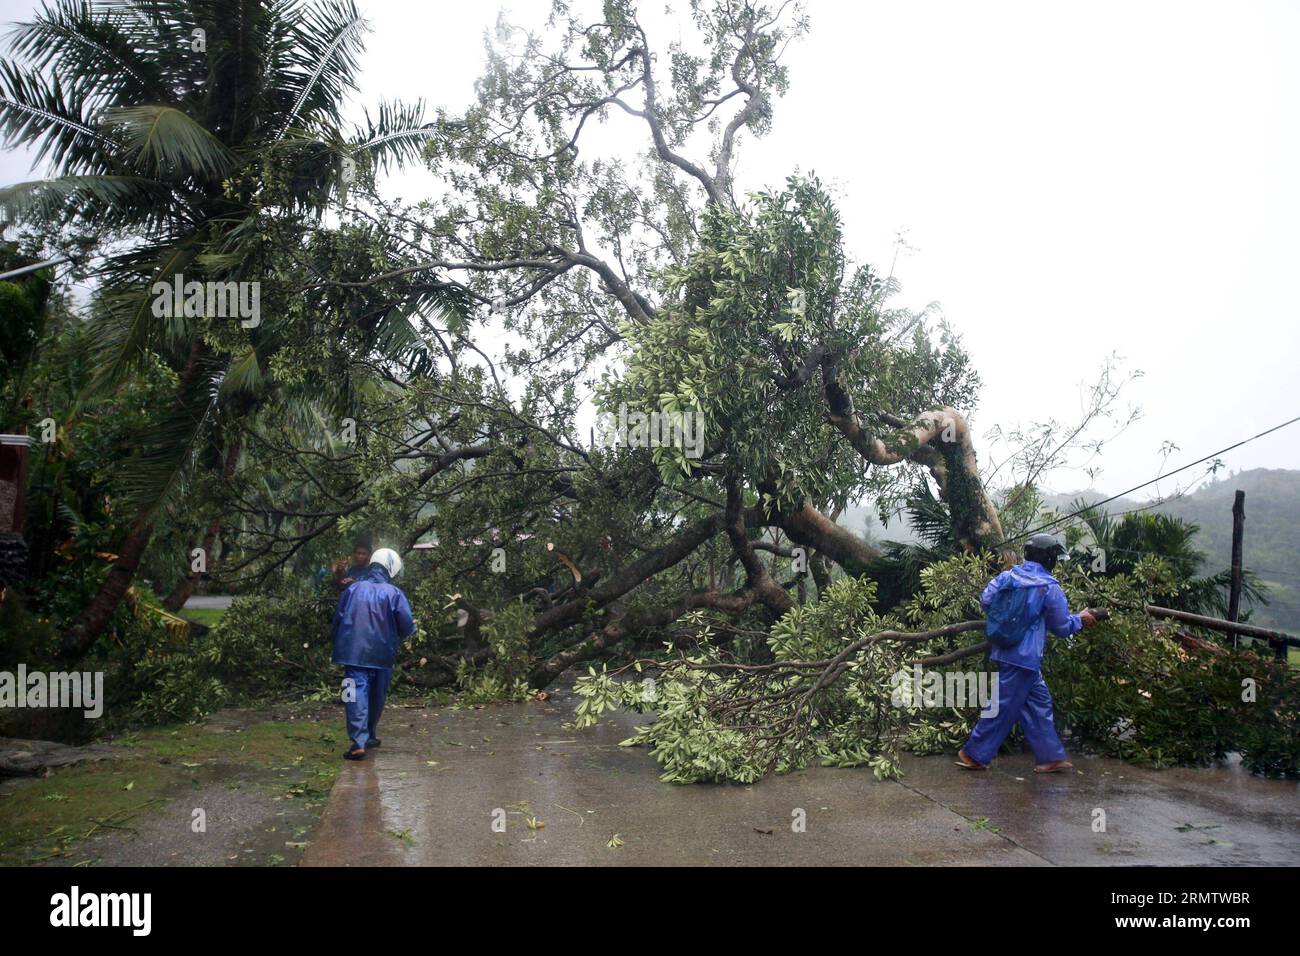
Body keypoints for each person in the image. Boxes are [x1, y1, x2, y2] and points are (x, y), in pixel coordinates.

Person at [956, 533, 1098, 774]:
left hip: (1006, 651)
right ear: (1050, 559)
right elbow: (1063, 627)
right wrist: (1081, 619)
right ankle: (973, 754)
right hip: (1025, 658)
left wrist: (1009, 620)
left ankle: (1050, 757)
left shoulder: (1007, 576)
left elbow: (987, 599)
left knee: (1039, 703)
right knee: (1001, 707)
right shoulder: (1049, 588)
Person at [332, 547, 414, 761]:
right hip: (383, 655)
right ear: (391, 568)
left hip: (352, 654)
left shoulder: (352, 589)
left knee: (352, 695)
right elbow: (406, 626)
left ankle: (358, 741)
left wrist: (337, 645)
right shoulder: (394, 593)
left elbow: (338, 620)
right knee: (378, 696)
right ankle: (368, 736)